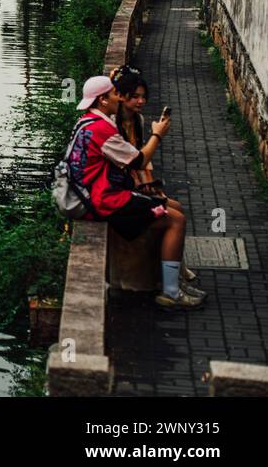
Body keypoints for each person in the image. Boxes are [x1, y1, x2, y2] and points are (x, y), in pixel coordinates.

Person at [70, 75, 202, 309]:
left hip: (95, 195)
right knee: (176, 221)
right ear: (102, 100)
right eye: (114, 94)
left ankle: (173, 280)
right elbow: (139, 160)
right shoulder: (102, 129)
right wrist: (158, 134)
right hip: (105, 201)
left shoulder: (86, 122)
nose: (118, 97)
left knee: (174, 210)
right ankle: (170, 292)